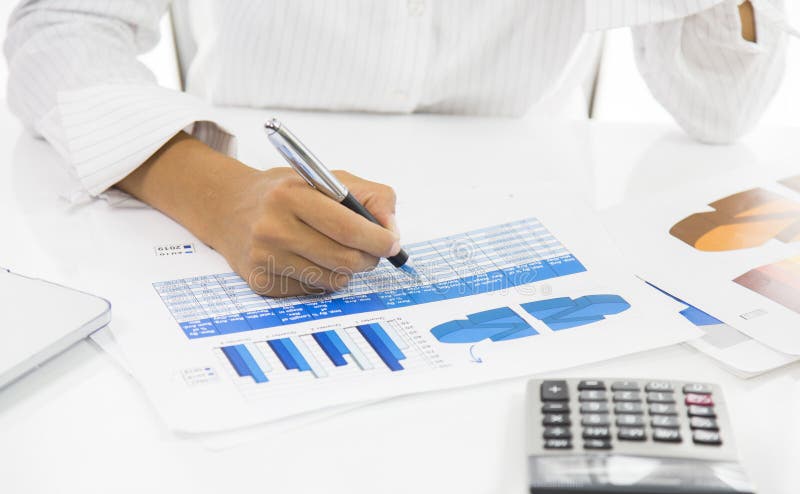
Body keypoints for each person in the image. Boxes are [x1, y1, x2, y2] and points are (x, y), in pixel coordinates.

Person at [4, 0, 787, 296]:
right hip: (222, 199)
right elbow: (58, 30)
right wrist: (220, 193)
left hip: (530, 205)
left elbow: (724, 106)